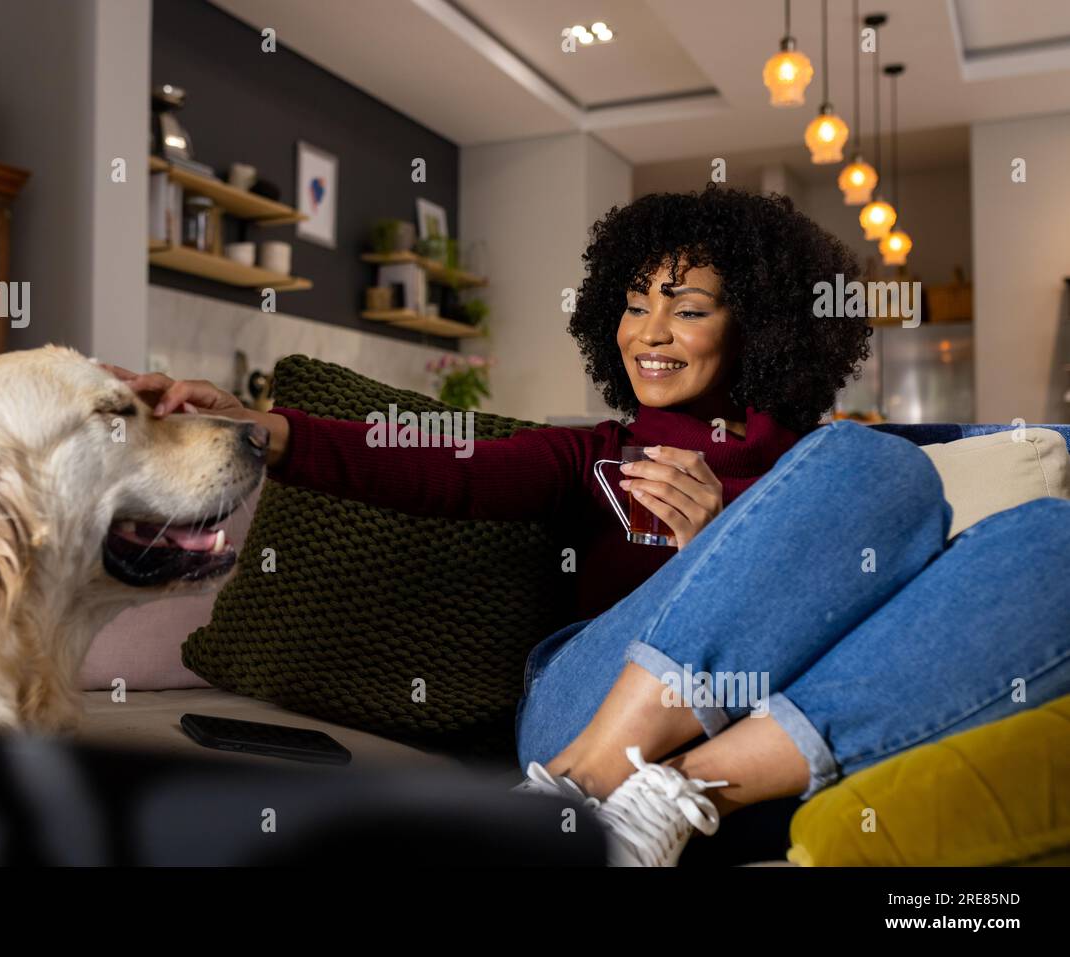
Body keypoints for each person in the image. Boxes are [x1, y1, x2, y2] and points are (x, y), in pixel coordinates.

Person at [114, 186, 1070, 865]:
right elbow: (430, 459)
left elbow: (919, 619)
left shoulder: (822, 475)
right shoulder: (595, 456)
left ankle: (672, 797)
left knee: (1039, 538)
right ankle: (586, 784)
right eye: (633, 302)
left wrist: (734, 532)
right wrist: (257, 426)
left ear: (760, 327)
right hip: (579, 708)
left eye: (686, 308)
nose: (647, 331)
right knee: (874, 463)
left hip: (758, 759)